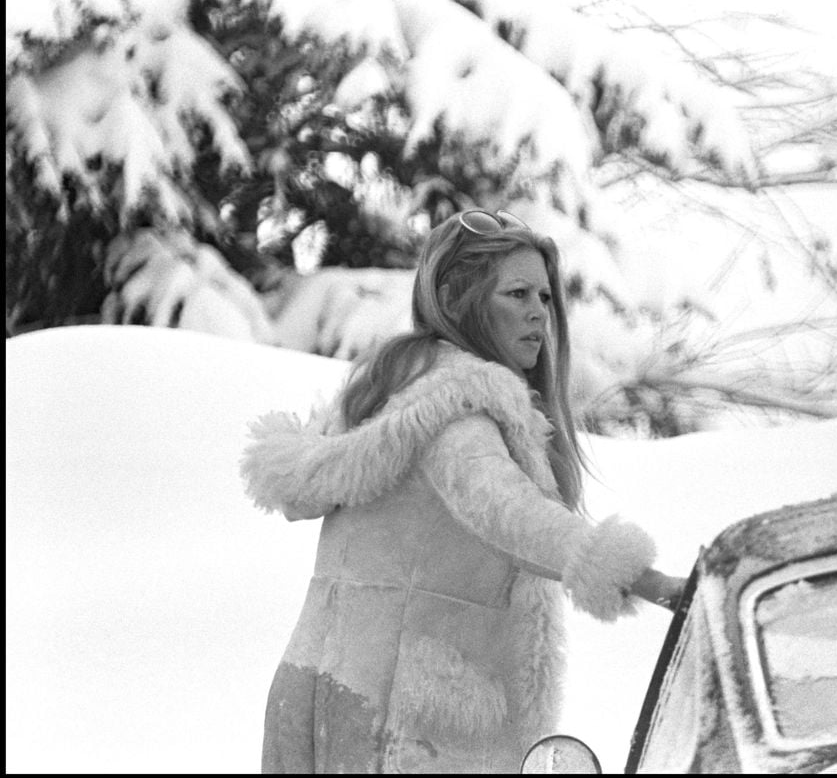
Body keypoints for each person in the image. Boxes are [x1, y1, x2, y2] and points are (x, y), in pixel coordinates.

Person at [241, 209, 686, 773]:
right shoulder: (457, 417)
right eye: (517, 294)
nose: (539, 313)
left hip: (316, 688)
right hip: (403, 724)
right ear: (457, 300)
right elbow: (513, 514)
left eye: (545, 297)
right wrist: (649, 581)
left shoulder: (381, 398)